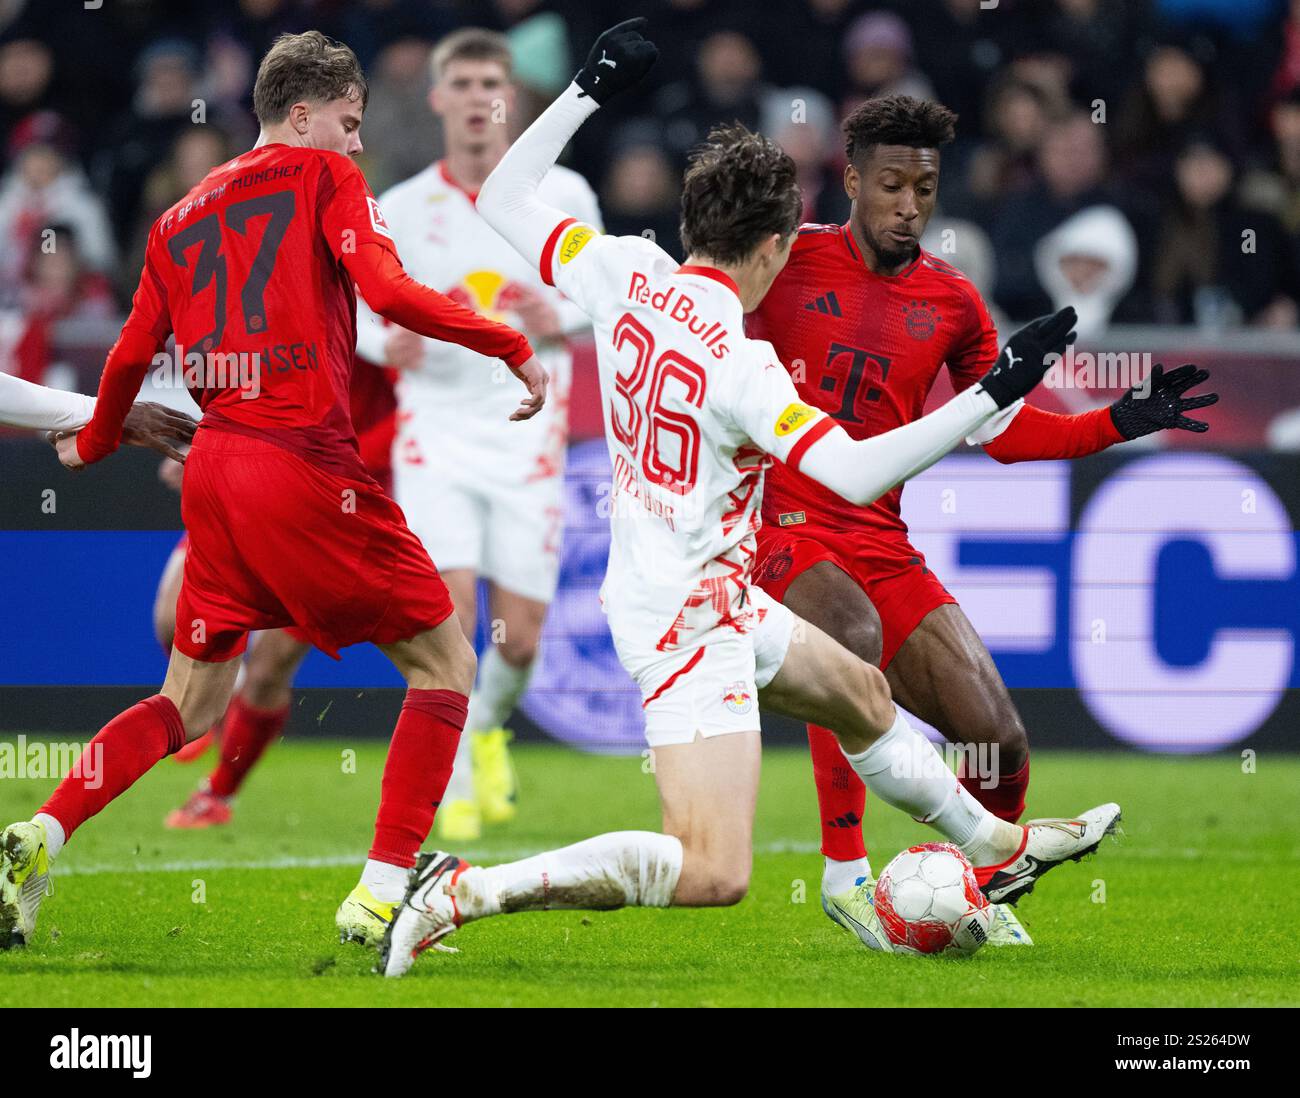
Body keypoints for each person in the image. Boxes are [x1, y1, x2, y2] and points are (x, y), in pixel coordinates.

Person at [381, 19, 1121, 977]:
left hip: (702, 587)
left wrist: (590, 87)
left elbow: (504, 194)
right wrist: (990, 393)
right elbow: (854, 471)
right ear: (774, 247)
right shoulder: (743, 365)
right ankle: (465, 891)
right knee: (712, 870)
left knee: (861, 690)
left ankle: (995, 845)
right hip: (686, 620)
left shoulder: (625, 273)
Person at [0, 30, 548, 952]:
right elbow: (389, 289)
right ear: (303, 113)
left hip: (214, 471)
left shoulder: (177, 217)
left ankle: (36, 835)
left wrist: (91, 443)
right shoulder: (323, 180)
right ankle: (380, 896)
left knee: (190, 700)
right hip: (303, 463)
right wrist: (508, 343)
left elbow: (132, 354)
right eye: (350, 121)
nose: (358, 144)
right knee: (447, 662)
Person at [745, 94, 1217, 949]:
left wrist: (1118, 421)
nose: (909, 205)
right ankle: (846, 875)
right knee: (844, 636)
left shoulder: (954, 301)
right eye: (890, 185)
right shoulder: (782, 261)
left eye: (924, 188)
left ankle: (963, 891)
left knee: (996, 743)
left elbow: (1000, 430)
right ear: (850, 181)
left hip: (880, 539)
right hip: (780, 526)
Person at [354, 27, 603, 843]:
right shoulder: (401, 206)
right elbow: (356, 308)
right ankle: (454, 780)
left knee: (522, 637)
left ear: (513, 98)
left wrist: (555, 312)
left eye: (488, 81)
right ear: (437, 99)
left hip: (529, 434)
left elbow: (606, 299)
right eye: (458, 82)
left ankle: (487, 728)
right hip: (437, 432)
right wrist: (380, 343)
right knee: (452, 615)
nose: (474, 97)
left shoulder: (562, 193)